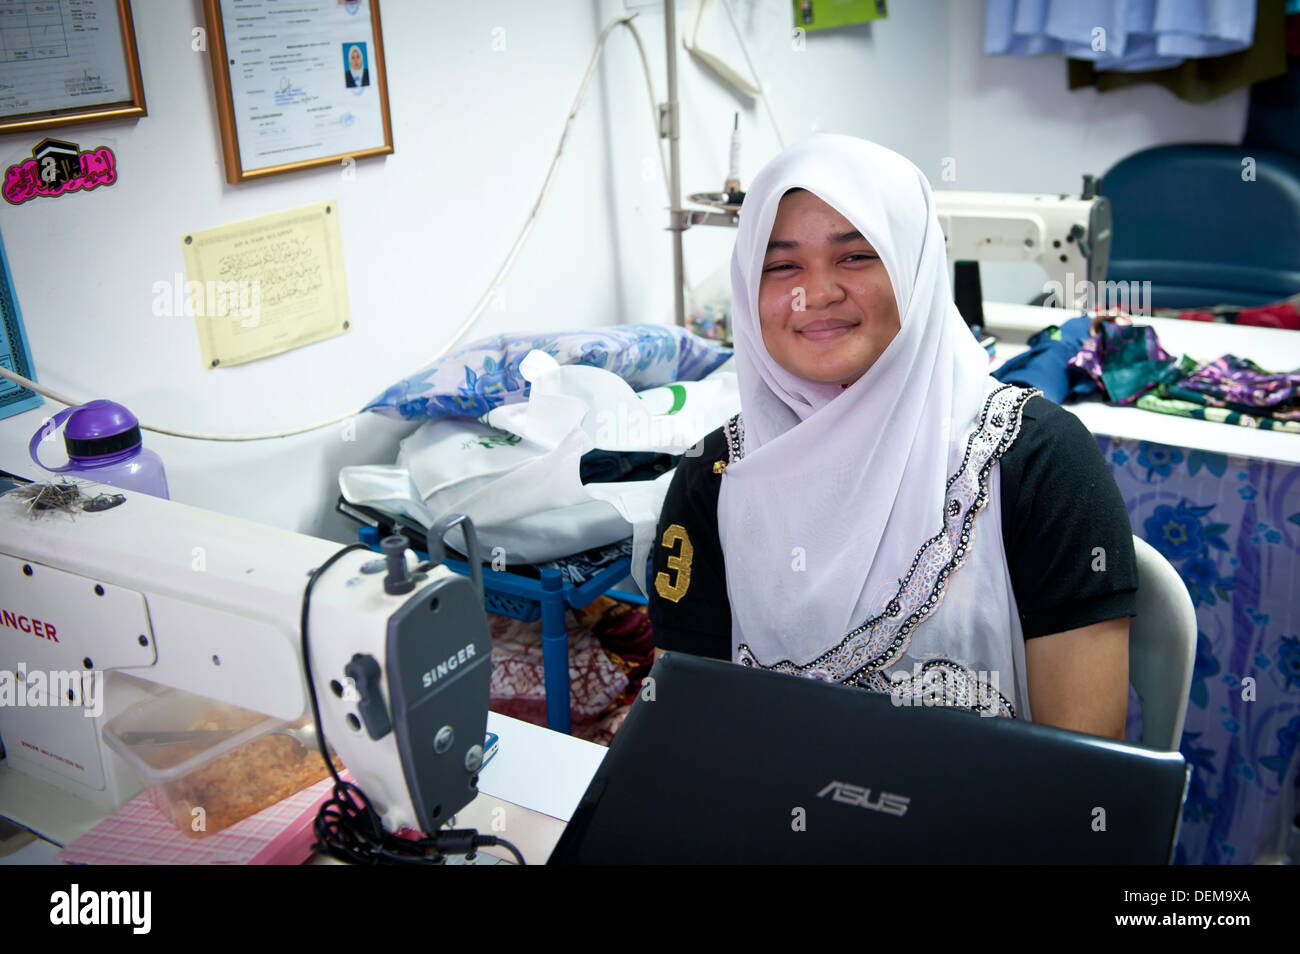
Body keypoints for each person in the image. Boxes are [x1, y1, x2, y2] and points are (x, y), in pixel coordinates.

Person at [649, 134, 1135, 739]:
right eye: (781, 266)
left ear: (914, 267)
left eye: (855, 256)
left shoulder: (1035, 461)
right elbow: (691, 732)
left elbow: (1082, 767)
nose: (816, 293)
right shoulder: (715, 477)